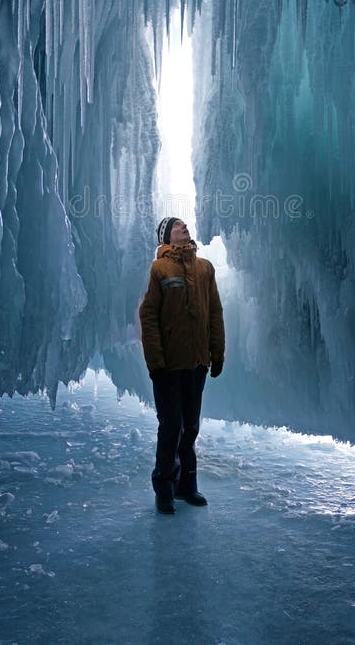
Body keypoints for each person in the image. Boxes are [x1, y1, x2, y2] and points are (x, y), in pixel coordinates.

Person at [139, 217, 225, 514]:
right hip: (168, 365)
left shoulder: (205, 268)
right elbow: (149, 316)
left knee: (190, 428)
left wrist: (217, 353)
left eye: (184, 225)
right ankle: (164, 488)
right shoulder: (159, 269)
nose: (183, 227)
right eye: (176, 226)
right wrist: (155, 362)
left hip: (197, 362)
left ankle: (187, 487)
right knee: (171, 426)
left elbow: (215, 312)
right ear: (166, 237)